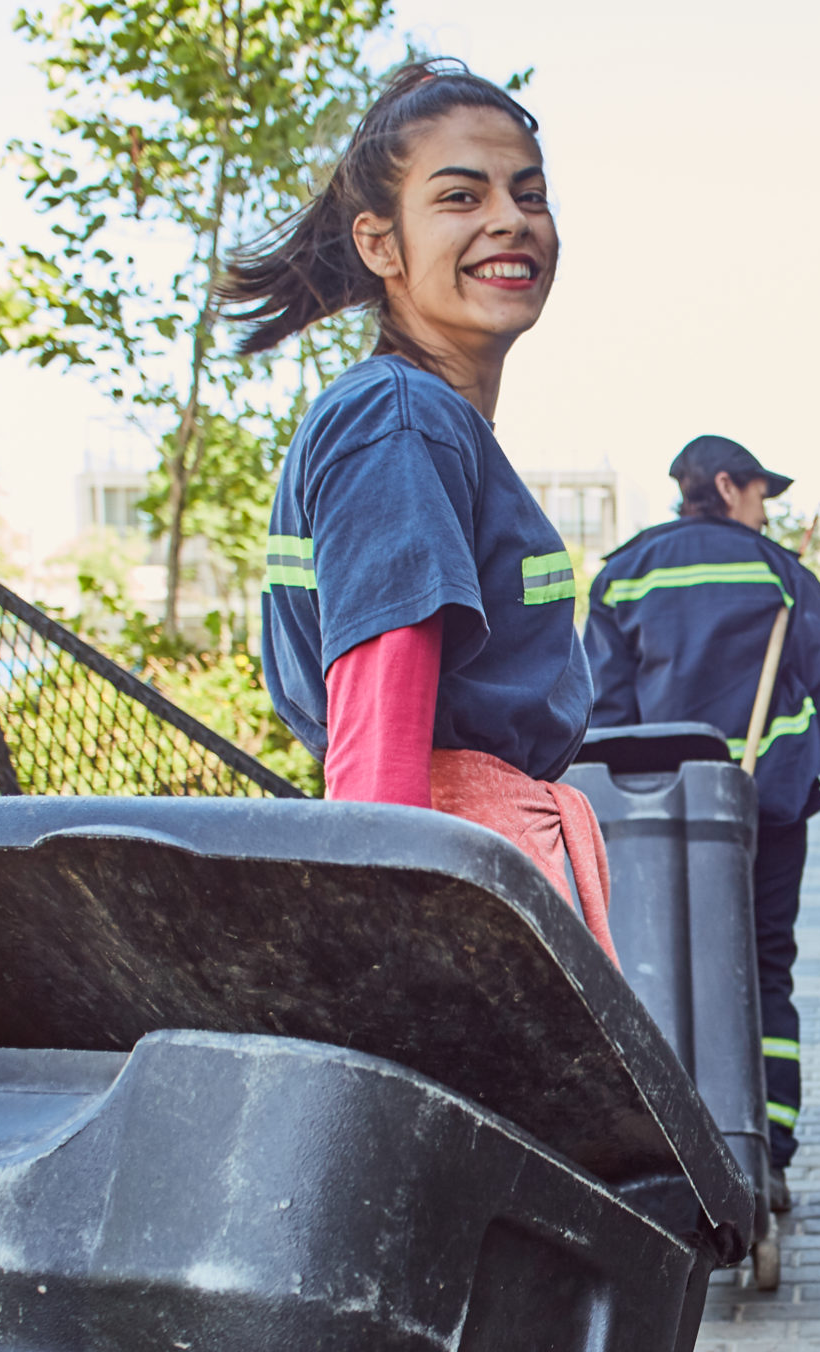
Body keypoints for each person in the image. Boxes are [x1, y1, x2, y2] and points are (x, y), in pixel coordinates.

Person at [224, 60, 618, 952]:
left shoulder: (422, 422)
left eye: (530, 194)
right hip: (453, 889)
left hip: (475, 873)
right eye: (459, 197)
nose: (509, 220)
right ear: (380, 244)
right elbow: (378, 724)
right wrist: (392, 949)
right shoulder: (400, 421)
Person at [586, 436, 820, 1207]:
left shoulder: (624, 572)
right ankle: (767, 1147)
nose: (765, 509)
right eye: (760, 493)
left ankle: (670, 1150)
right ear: (726, 486)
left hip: (652, 824)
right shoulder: (779, 574)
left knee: (657, 972)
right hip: (764, 809)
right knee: (761, 970)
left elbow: (602, 713)